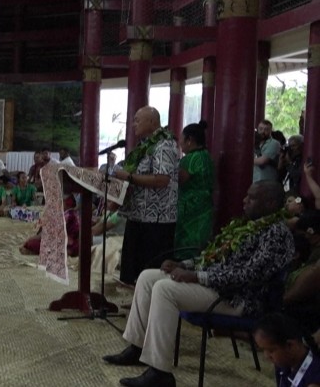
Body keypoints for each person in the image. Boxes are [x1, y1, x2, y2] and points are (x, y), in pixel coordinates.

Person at [102, 181, 295, 387]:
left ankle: (160, 372)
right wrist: (183, 264)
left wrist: (197, 277)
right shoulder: (246, 226)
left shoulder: (277, 233)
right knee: (148, 277)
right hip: (216, 287)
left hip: (238, 299)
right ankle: (137, 347)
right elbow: (212, 257)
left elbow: (248, 275)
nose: (244, 200)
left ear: (271, 203)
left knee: (164, 289)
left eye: (252, 198)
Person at [112, 106, 180, 285]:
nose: (133, 124)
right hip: (138, 214)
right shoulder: (143, 146)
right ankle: (136, 304)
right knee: (133, 269)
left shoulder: (165, 144)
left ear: (152, 122)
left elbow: (162, 179)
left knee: (150, 271)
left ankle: (148, 307)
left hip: (157, 219)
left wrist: (129, 177)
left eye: (137, 120)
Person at [175, 121, 214, 260]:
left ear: (189, 140)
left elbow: (180, 180)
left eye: (181, 140)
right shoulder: (206, 155)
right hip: (205, 205)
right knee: (201, 240)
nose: (180, 144)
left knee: (186, 244)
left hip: (191, 207)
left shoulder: (190, 159)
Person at [253, 313, 320, 387]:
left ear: (290, 346)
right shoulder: (284, 363)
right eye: (263, 350)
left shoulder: (313, 380)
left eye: (271, 351)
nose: (266, 356)